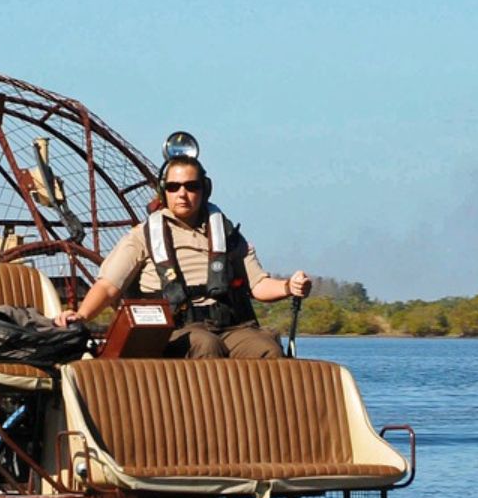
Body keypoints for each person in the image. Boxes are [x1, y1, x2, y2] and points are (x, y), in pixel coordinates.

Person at [55, 150, 310, 358]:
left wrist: (289, 286)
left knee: (268, 349)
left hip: (231, 326)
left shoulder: (226, 233)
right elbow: (109, 286)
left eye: (191, 186)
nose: (182, 194)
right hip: (178, 330)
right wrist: (82, 315)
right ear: (163, 192)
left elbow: (259, 285)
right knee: (205, 345)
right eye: (174, 187)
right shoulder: (143, 235)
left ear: (204, 189)